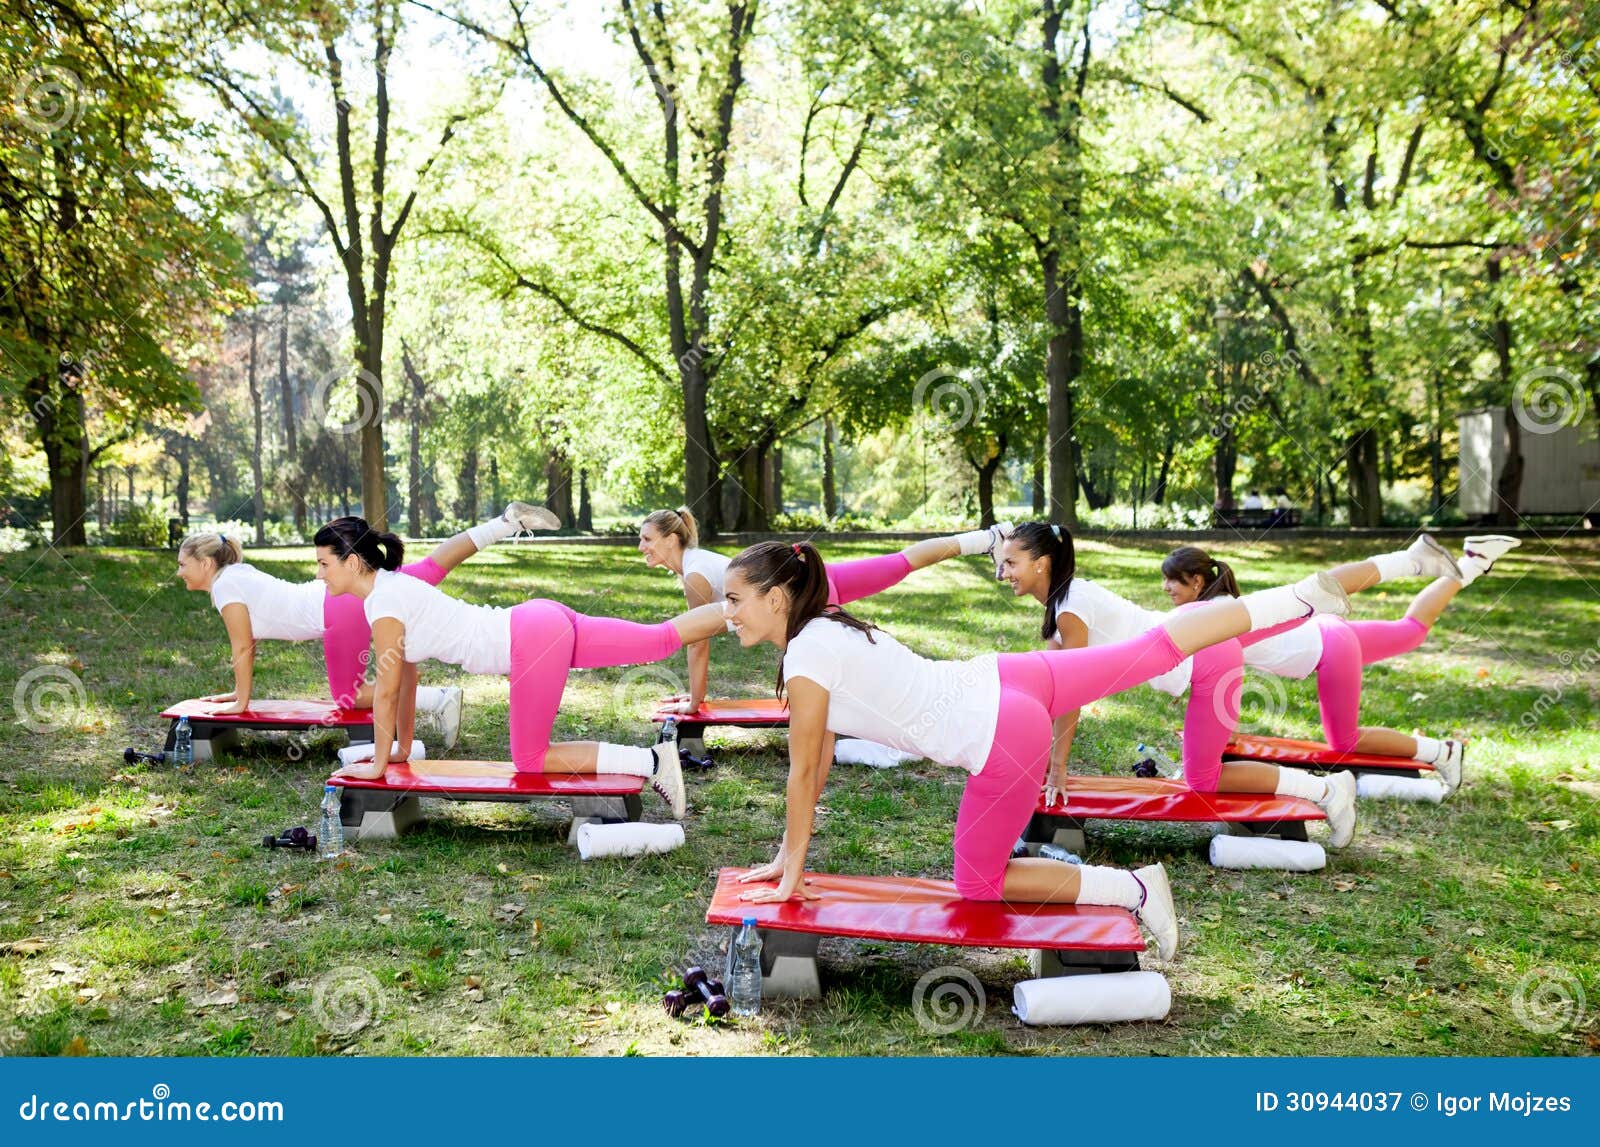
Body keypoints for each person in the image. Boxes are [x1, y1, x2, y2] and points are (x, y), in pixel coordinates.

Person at [720, 540, 1354, 960]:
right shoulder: (827, 623)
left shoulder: (807, 653)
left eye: (734, 600)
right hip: (1004, 676)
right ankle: (1298, 598)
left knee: (978, 883)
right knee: (1155, 648)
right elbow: (821, 756)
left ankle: (1133, 888)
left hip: (998, 731)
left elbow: (804, 772)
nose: (727, 614)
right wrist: (787, 856)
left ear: (776, 598)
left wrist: (795, 874)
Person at [994, 527, 1465, 844]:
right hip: (1194, 630)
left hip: (1201, 654)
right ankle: (1410, 561)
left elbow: (1068, 696)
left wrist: (1057, 767)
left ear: (1043, 562)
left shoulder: (1072, 609)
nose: (1003, 573)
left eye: (1011, 562)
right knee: (1301, 598)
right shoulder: (1068, 604)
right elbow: (1053, 691)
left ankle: (1325, 791)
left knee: (1205, 780)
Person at [313, 517, 733, 818]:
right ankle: (740, 608)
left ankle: (653, 762)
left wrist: (379, 764)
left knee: (529, 759)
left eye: (324, 564)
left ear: (351, 562)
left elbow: (385, 690)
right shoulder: (392, 588)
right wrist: (401, 750)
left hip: (529, 642)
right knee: (657, 639)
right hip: (537, 619)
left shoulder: (383, 603)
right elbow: (405, 677)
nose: (320, 574)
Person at [175, 503, 558, 746]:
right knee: (431, 567)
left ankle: (436, 700)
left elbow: (243, 646)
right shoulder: (237, 573)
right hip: (335, 600)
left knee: (347, 697)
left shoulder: (226, 586)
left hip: (334, 610)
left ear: (206, 564)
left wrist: (240, 701)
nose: (179, 572)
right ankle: (504, 523)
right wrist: (234, 695)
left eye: (182, 564)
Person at [1158, 535, 1521, 791]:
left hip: (1330, 650)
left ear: (1195, 581)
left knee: (1345, 741)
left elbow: (1223, 680)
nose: (1164, 589)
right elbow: (1229, 675)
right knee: (1410, 631)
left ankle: (1442, 751)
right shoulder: (1223, 605)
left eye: (1169, 581)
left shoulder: (1213, 616)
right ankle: (1472, 563)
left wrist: (1219, 728)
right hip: (1329, 632)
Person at [638, 506, 1012, 715]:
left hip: (804, 598)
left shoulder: (695, 575)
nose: (641, 547)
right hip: (818, 577)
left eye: (647, 539)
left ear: (672, 539)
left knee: (830, 659)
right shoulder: (698, 562)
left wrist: (694, 702)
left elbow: (698, 643)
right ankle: (989, 538)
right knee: (903, 561)